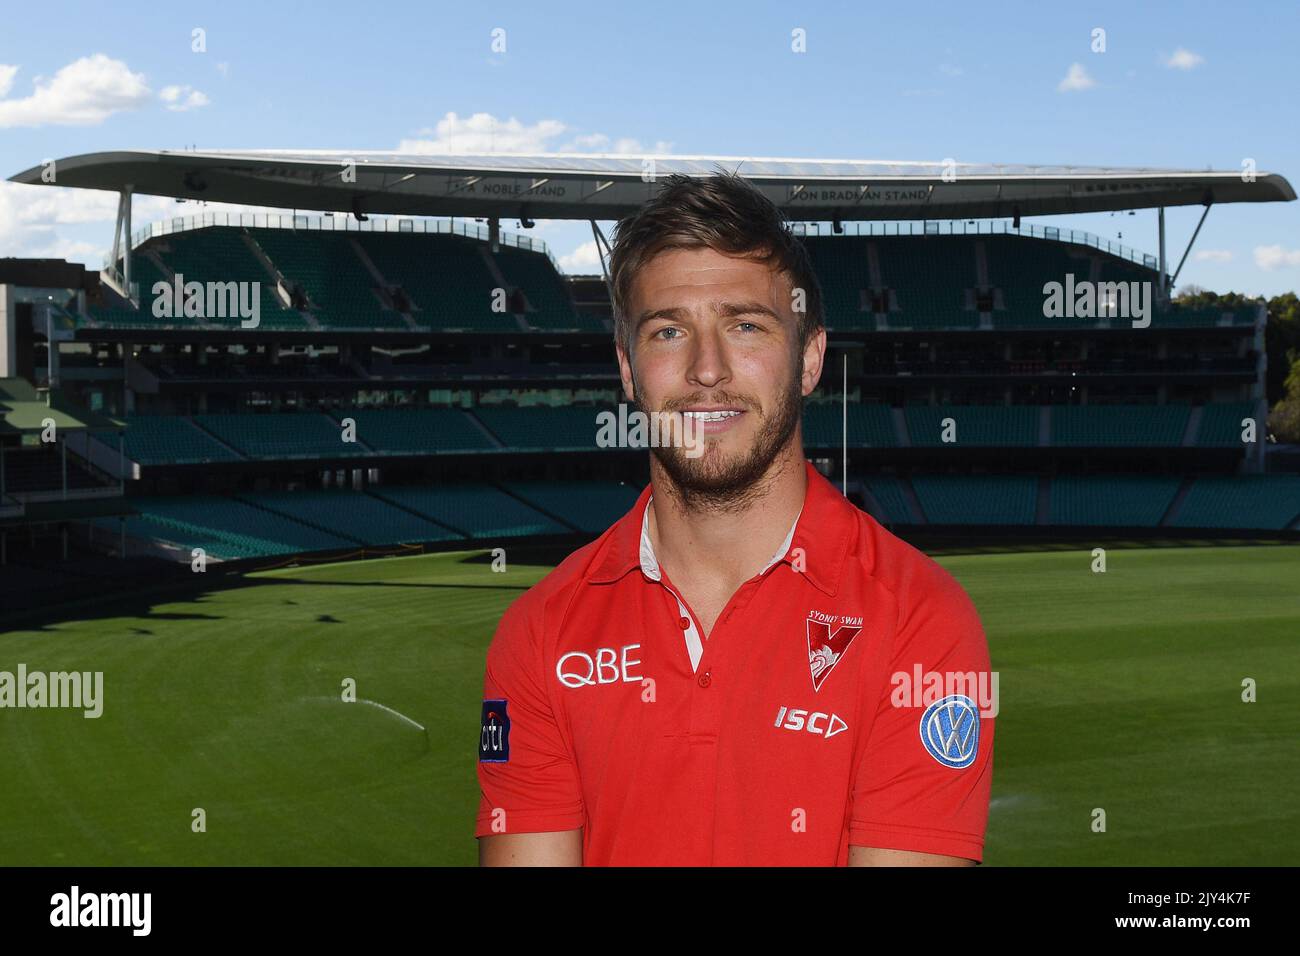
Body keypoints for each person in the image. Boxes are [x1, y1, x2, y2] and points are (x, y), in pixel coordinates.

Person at [476, 171, 994, 866]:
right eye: (668, 331)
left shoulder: (921, 622)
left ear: (809, 358)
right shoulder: (540, 634)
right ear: (628, 369)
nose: (708, 370)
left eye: (745, 325)